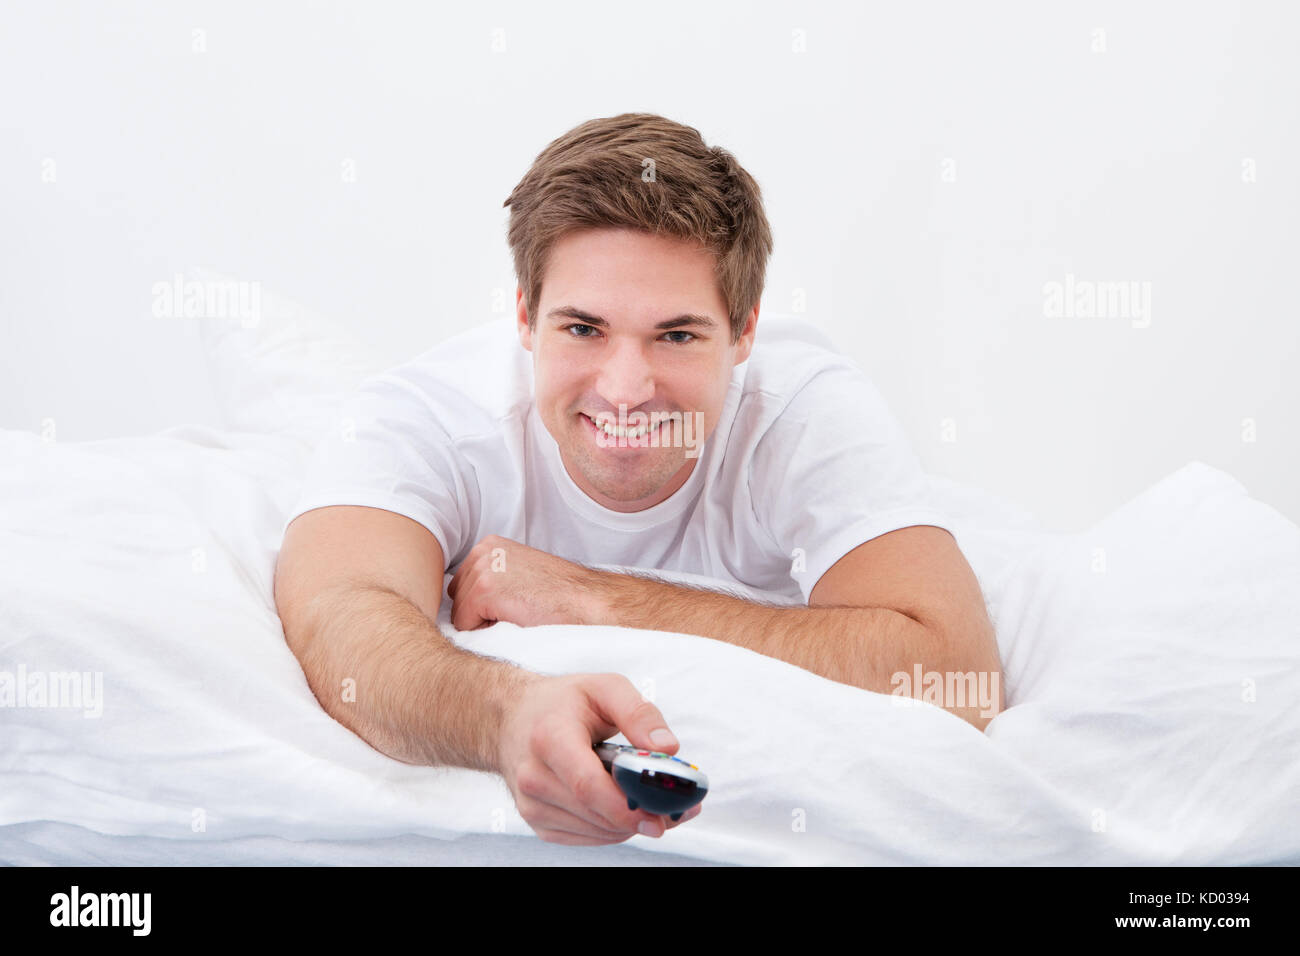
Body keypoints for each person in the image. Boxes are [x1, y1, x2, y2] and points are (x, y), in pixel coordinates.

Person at [273, 112, 1003, 848]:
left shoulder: (801, 409)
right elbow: (339, 619)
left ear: (746, 330)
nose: (625, 391)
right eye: (583, 329)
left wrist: (591, 596)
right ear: (524, 316)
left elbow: (952, 669)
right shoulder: (426, 418)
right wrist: (504, 717)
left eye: (677, 335)